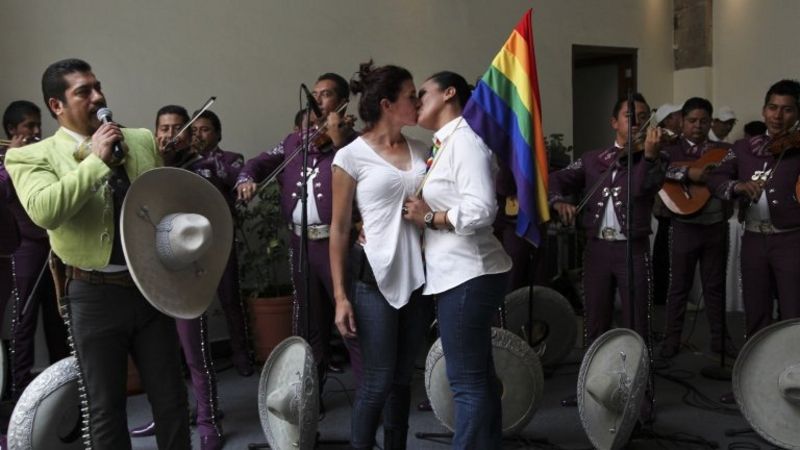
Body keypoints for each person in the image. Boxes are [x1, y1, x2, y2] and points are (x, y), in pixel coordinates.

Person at [4, 58, 189, 449]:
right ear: (57, 105)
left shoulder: (140, 139)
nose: (98, 97)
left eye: (98, 87)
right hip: (92, 295)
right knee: (104, 409)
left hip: (150, 287)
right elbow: (45, 212)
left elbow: (161, 202)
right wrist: (95, 161)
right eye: (83, 92)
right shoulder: (30, 156)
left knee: (172, 399)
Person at [404, 71, 512, 449]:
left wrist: (429, 218)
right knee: (478, 378)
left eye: (423, 93)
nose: (416, 101)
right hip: (458, 272)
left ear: (450, 93)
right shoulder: (446, 142)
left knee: (466, 383)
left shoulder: (465, 141)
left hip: (468, 273)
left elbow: (482, 208)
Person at [329, 61, 431, 450]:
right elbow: (339, 229)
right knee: (378, 379)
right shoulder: (351, 156)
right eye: (411, 96)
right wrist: (341, 297)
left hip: (418, 275)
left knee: (403, 378)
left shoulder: (422, 150)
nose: (418, 102)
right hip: (373, 277)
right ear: (387, 104)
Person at [236, 73, 362, 383]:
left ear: (343, 103)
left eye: (326, 94)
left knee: (352, 322)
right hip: (301, 243)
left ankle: (368, 393)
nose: (317, 99)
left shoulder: (354, 143)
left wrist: (338, 141)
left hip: (337, 244)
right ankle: (311, 394)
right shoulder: (295, 141)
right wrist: (246, 179)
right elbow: (259, 163)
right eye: (315, 94)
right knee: (310, 323)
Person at [128, 105, 223, 450]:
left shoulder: (200, 168)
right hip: (150, 271)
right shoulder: (145, 167)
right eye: (164, 128)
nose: (170, 135)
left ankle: (209, 420)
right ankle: (167, 415)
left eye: (178, 128)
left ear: (189, 133)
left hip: (185, 271)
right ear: (155, 132)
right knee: (159, 358)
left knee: (195, 350)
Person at [549, 94, 667, 344]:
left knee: (637, 319)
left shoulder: (656, 158)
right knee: (595, 317)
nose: (636, 123)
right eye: (629, 116)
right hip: (597, 248)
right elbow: (555, 179)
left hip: (633, 249)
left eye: (643, 118)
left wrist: (648, 158)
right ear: (614, 122)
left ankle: (637, 367)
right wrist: (558, 201)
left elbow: (640, 190)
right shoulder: (593, 158)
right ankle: (594, 368)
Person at [707, 79, 800, 338]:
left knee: (794, 310)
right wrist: (737, 186)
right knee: (755, 308)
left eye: (787, 109)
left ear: (797, 114)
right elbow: (715, 178)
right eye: (773, 108)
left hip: (791, 239)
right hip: (753, 238)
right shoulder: (742, 148)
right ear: (763, 110)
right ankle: (759, 361)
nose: (778, 116)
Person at [1, 100, 70, 399]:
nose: (36, 131)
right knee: (24, 319)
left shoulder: (42, 152)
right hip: (25, 249)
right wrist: (12, 159)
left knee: (59, 318)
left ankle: (63, 385)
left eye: (38, 124)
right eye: (29, 126)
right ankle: (19, 390)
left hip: (53, 246)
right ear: (12, 129)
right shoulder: (5, 159)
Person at [659, 97, 734, 359]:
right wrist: (688, 174)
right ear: (682, 121)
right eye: (692, 120)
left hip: (716, 225)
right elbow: (658, 169)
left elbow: (737, 170)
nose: (698, 126)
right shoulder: (670, 149)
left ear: (711, 122)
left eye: (703, 121)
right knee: (679, 286)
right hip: (684, 225)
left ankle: (720, 341)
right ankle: (672, 340)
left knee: (715, 287)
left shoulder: (724, 150)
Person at [189, 109, 254, 377]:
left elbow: (233, 179)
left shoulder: (230, 159)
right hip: (189, 242)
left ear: (217, 134)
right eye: (194, 130)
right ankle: (197, 362)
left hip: (221, 239)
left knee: (230, 298)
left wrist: (207, 161)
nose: (198, 135)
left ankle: (241, 353)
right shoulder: (183, 161)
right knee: (192, 304)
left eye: (204, 130)